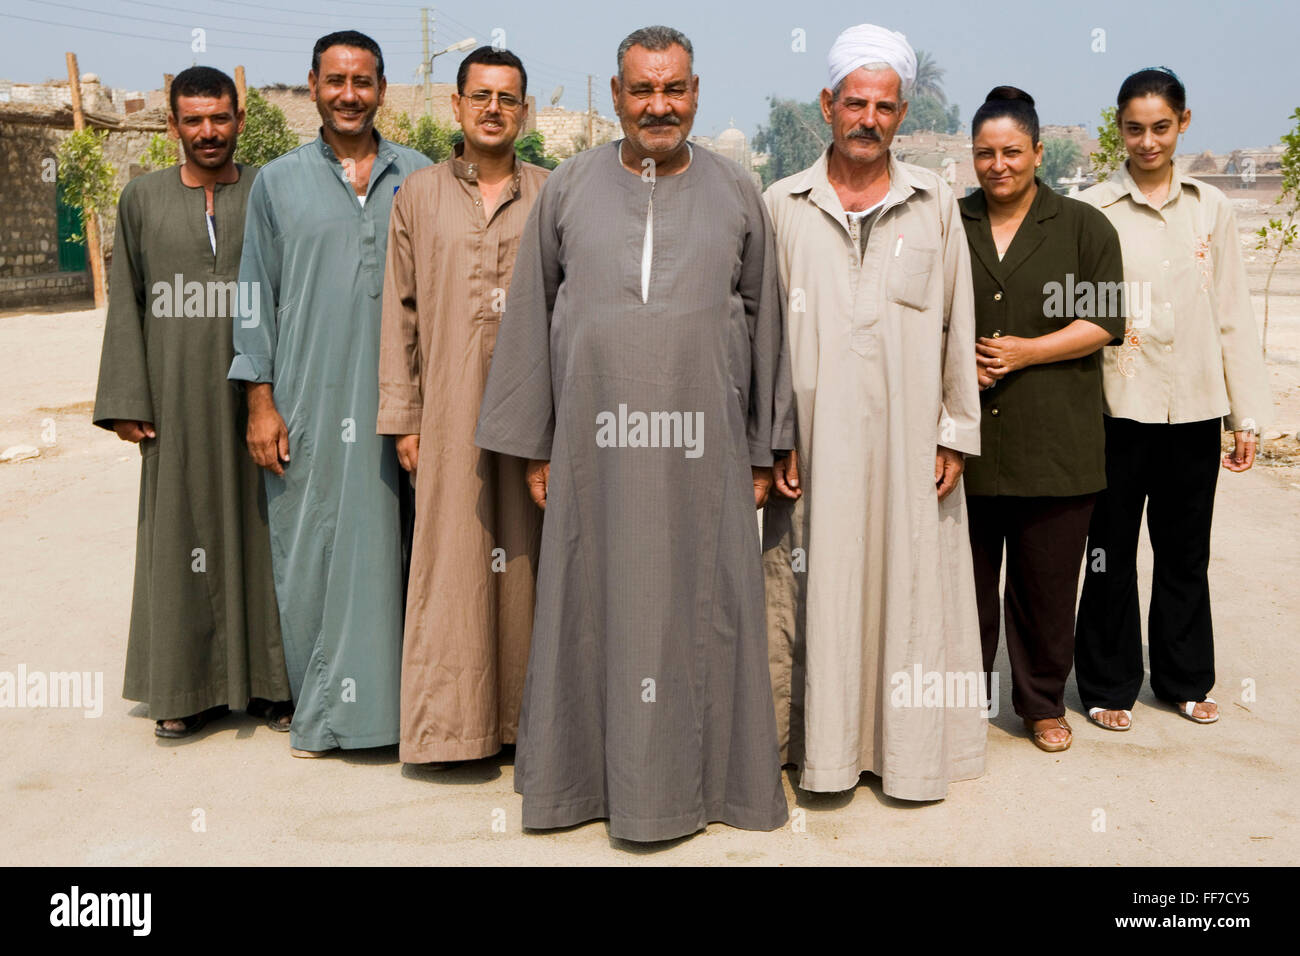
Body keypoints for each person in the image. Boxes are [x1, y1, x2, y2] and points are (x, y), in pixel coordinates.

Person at [474, 25, 792, 841]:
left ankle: (710, 789)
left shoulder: (736, 191)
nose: (659, 104)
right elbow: (531, 318)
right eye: (642, 89)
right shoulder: (570, 188)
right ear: (615, 95)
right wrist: (537, 444)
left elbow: (766, 325)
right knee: (589, 600)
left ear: (695, 92)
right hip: (592, 447)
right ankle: (581, 782)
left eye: (674, 89)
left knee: (707, 606)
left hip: (706, 449)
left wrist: (763, 448)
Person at [762, 23, 985, 799]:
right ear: (827, 104)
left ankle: (906, 756)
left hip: (905, 445)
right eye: (854, 102)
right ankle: (819, 752)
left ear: (902, 112)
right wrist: (773, 438)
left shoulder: (934, 205)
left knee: (906, 592)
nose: (868, 118)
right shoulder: (781, 205)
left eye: (884, 106)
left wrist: (954, 431)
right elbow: (760, 339)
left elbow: (959, 325)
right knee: (813, 593)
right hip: (811, 452)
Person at [228, 31, 432, 757]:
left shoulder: (422, 175)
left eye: (364, 81)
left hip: (403, 402)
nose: (350, 94)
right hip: (310, 397)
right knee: (313, 552)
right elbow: (254, 294)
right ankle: (326, 717)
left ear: (382, 89)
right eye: (336, 80)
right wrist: (260, 399)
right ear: (313, 85)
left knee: (404, 552)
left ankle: (411, 716)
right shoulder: (278, 184)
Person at [93, 66, 291, 739]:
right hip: (175, 396)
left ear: (239, 119)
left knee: (267, 528)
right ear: (174, 125)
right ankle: (184, 686)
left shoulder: (272, 188)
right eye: (194, 120)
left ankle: (271, 682)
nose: (209, 131)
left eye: (220, 118)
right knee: (183, 532)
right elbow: (128, 301)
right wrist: (127, 395)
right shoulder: (142, 198)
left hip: (263, 390)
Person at [1074, 68, 1271, 731]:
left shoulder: (1210, 208)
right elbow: (1079, 311)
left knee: (1186, 550)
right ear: (1119, 129)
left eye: (1161, 127)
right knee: (1109, 551)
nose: (1148, 142)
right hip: (1115, 405)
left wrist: (1246, 413)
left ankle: (1184, 679)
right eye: (1135, 129)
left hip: (1193, 406)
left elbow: (1232, 314)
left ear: (1183, 124)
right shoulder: (1094, 209)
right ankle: (1105, 684)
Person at [378, 46, 547, 764]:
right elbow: (401, 315)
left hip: (536, 418)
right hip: (447, 415)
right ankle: (455, 728)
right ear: (456, 105)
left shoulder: (552, 194)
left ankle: (529, 724)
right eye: (480, 95)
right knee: (452, 568)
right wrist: (403, 418)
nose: (493, 109)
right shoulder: (418, 195)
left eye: (508, 98)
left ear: (525, 111)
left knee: (530, 568)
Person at [958, 87, 1124, 753]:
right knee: (960, 589)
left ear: (1037, 152)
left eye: (1012, 152)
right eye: (985, 154)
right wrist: (954, 367)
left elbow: (1105, 322)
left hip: (1055, 441)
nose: (998, 165)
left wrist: (1029, 351)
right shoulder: (950, 221)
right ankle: (960, 703)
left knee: (1046, 588)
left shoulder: (1084, 226)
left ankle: (1041, 703)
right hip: (964, 443)